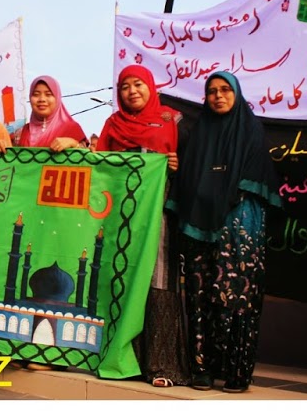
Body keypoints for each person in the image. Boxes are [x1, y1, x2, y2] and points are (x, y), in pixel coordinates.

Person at [167, 71, 281, 393]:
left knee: (236, 297)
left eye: (224, 90)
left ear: (236, 94)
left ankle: (236, 372)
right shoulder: (197, 134)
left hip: (237, 225)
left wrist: (226, 209)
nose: (218, 96)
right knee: (199, 298)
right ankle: (202, 369)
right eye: (212, 91)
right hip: (195, 227)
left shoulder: (251, 131)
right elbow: (186, 178)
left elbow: (252, 182)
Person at [94, 64, 186, 387]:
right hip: (121, 216)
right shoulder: (112, 124)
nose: (132, 91)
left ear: (150, 87)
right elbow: (100, 169)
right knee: (121, 278)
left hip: (158, 216)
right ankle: (120, 358)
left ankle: (162, 364)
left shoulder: (171, 121)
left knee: (158, 280)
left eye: (138, 85)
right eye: (125, 86)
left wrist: (176, 165)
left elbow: (190, 165)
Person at [17, 75, 88, 150]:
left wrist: (73, 143)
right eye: (36, 94)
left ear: (57, 98)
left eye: (48, 94)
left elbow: (88, 157)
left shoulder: (72, 128)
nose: (42, 99)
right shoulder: (22, 132)